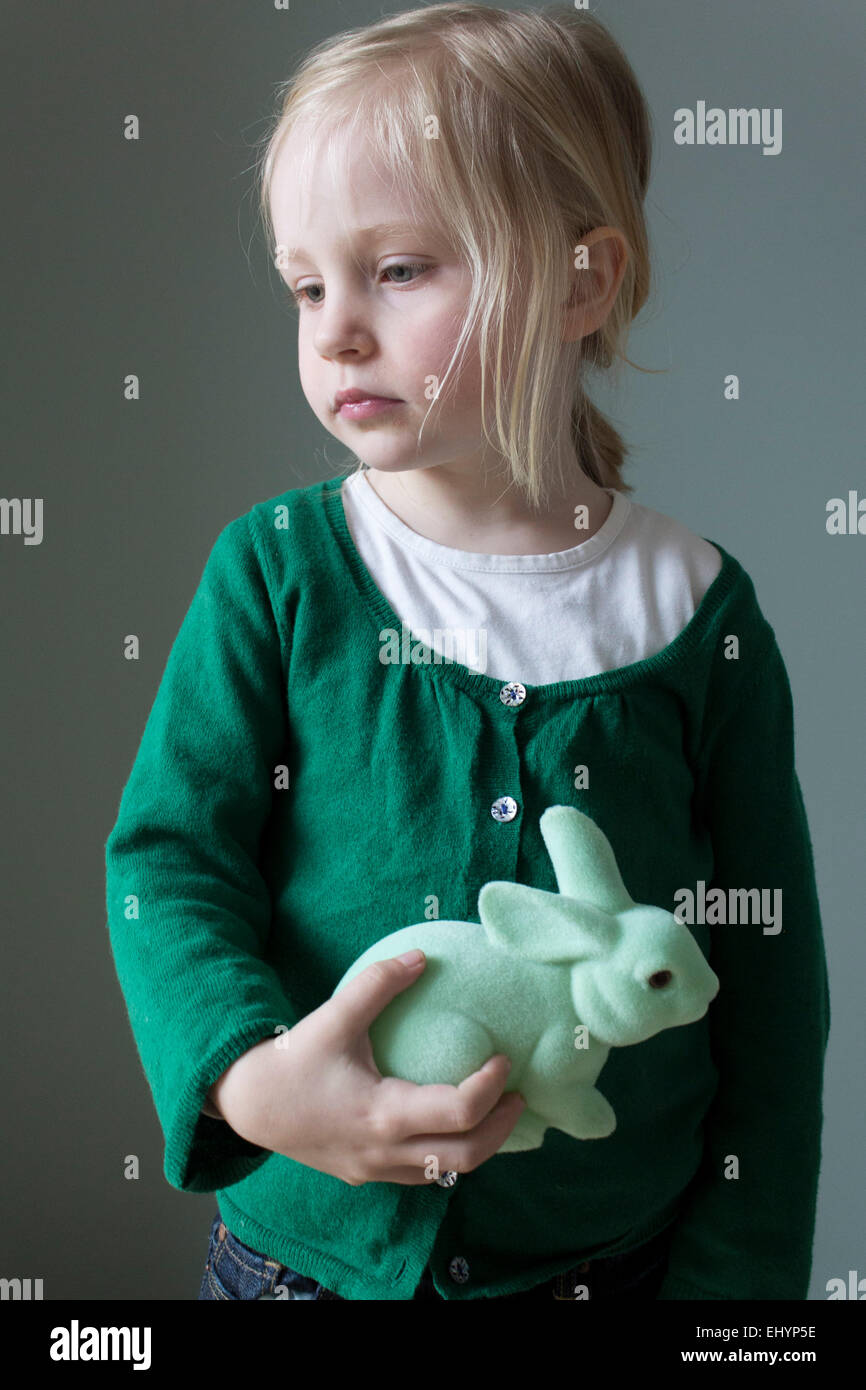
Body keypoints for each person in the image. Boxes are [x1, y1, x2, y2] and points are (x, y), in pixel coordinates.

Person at [105, 3, 830, 1302]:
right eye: (305, 284)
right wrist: (250, 1077)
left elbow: (768, 993)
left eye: (396, 270)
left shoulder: (697, 612)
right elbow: (171, 859)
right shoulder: (273, 570)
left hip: (611, 1271)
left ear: (579, 278)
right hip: (294, 1266)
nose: (332, 331)